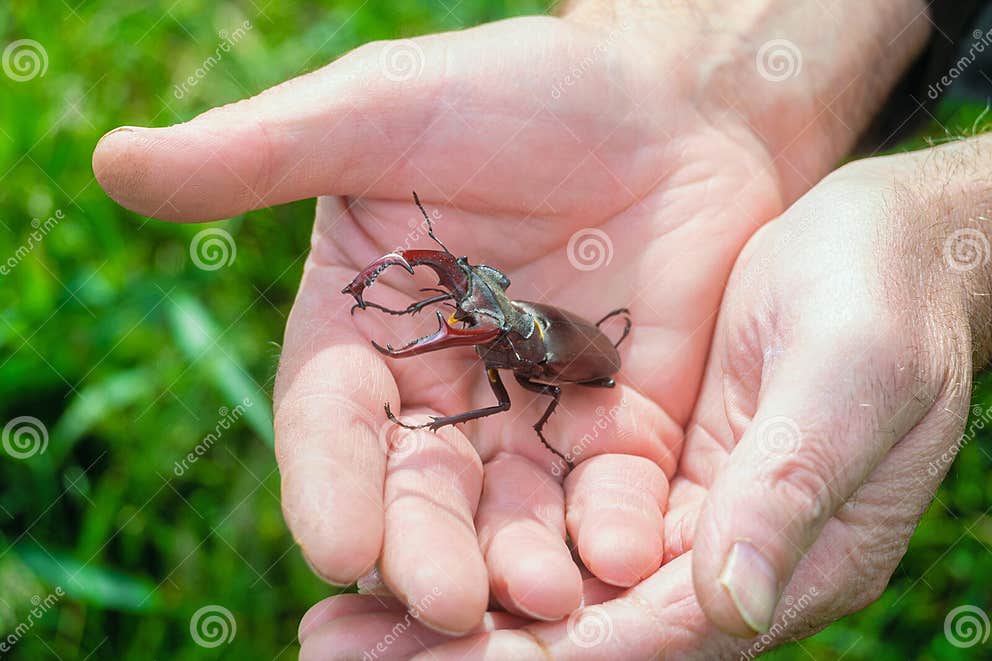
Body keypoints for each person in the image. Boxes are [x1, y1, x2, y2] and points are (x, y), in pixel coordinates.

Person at [92, 0, 992, 657]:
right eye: (466, 306)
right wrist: (697, 75)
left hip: (571, 353)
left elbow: (505, 396)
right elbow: (474, 305)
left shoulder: (519, 354)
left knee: (500, 388)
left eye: (470, 309)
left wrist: (957, 242)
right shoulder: (497, 310)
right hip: (555, 326)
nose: (464, 313)